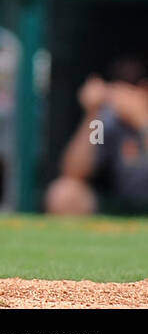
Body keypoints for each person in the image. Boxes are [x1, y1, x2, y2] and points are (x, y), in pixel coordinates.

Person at [45, 56, 148, 216]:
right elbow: (74, 171)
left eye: (132, 85)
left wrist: (142, 121)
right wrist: (92, 114)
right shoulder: (108, 121)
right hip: (119, 202)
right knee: (64, 193)